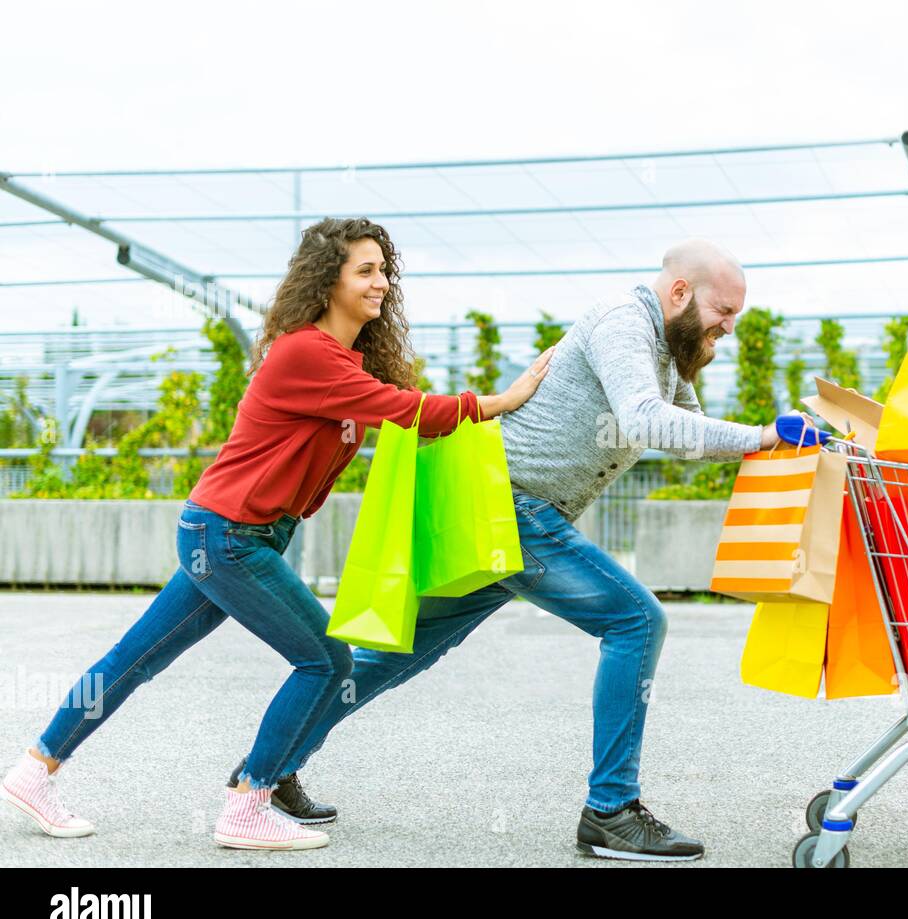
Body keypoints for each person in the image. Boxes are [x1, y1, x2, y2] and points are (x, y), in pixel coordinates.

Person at [2, 217, 552, 851]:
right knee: (325, 660)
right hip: (230, 535)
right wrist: (501, 400)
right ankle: (249, 803)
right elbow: (411, 412)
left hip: (234, 532)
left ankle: (33, 771)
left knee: (137, 659)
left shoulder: (345, 360)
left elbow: (408, 422)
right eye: (365, 271)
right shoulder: (305, 353)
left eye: (384, 271)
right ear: (328, 281)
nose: (381, 283)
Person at [269, 238, 810, 861]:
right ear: (681, 293)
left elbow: (682, 431)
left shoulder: (665, 349)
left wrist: (770, 440)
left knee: (397, 654)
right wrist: (764, 436)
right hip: (514, 507)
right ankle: (611, 810)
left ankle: (267, 767)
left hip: (502, 511)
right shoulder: (623, 325)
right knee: (635, 619)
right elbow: (643, 421)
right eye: (725, 312)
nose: (729, 328)